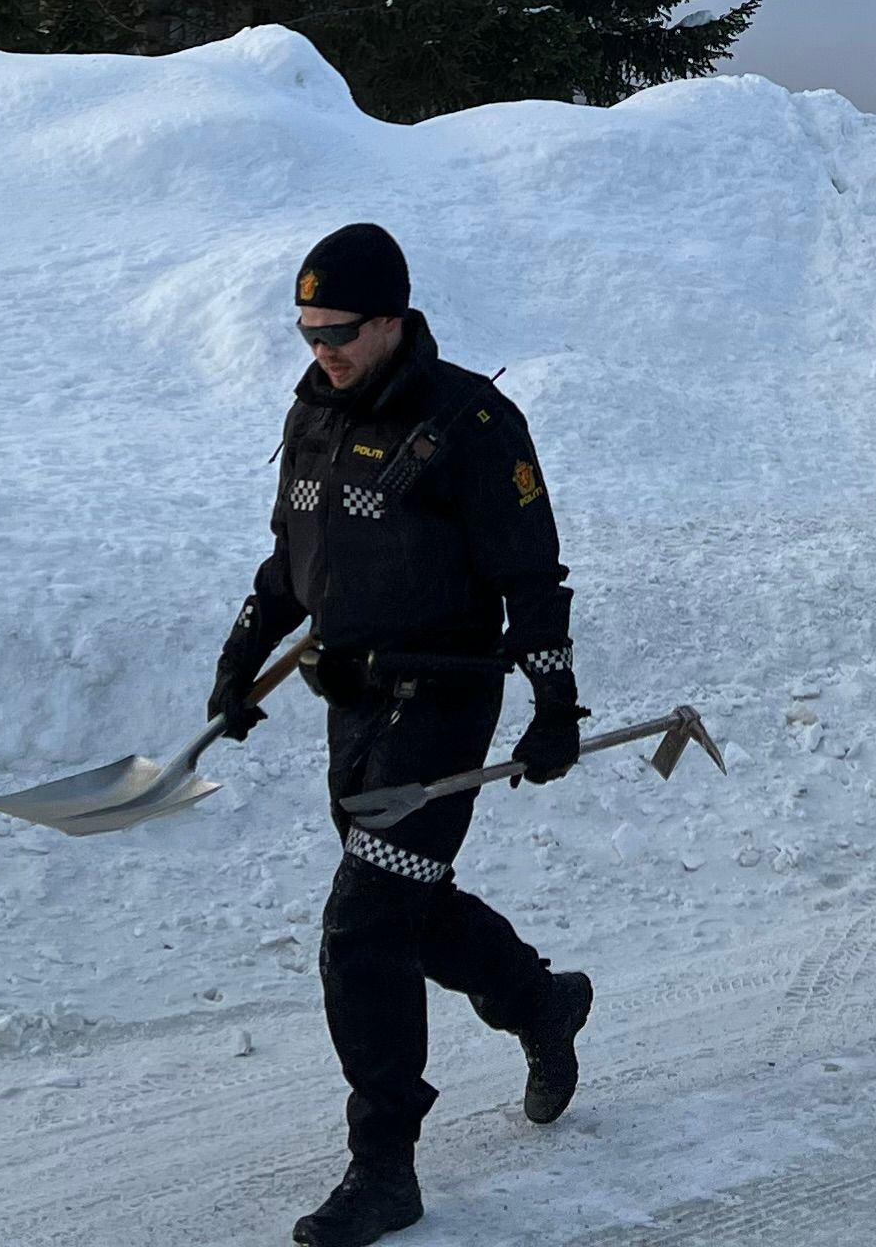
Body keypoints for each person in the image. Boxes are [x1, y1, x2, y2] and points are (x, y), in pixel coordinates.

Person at [209, 222, 597, 1244]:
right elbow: (293, 559)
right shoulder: (316, 412)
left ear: (390, 319)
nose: (320, 347)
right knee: (405, 906)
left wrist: (554, 703)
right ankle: (540, 1001)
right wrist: (242, 653)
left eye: (337, 329)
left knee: (362, 931)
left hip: (441, 708)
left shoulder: (471, 420)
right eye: (305, 330)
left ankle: (385, 1166)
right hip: (351, 705)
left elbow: (532, 580)